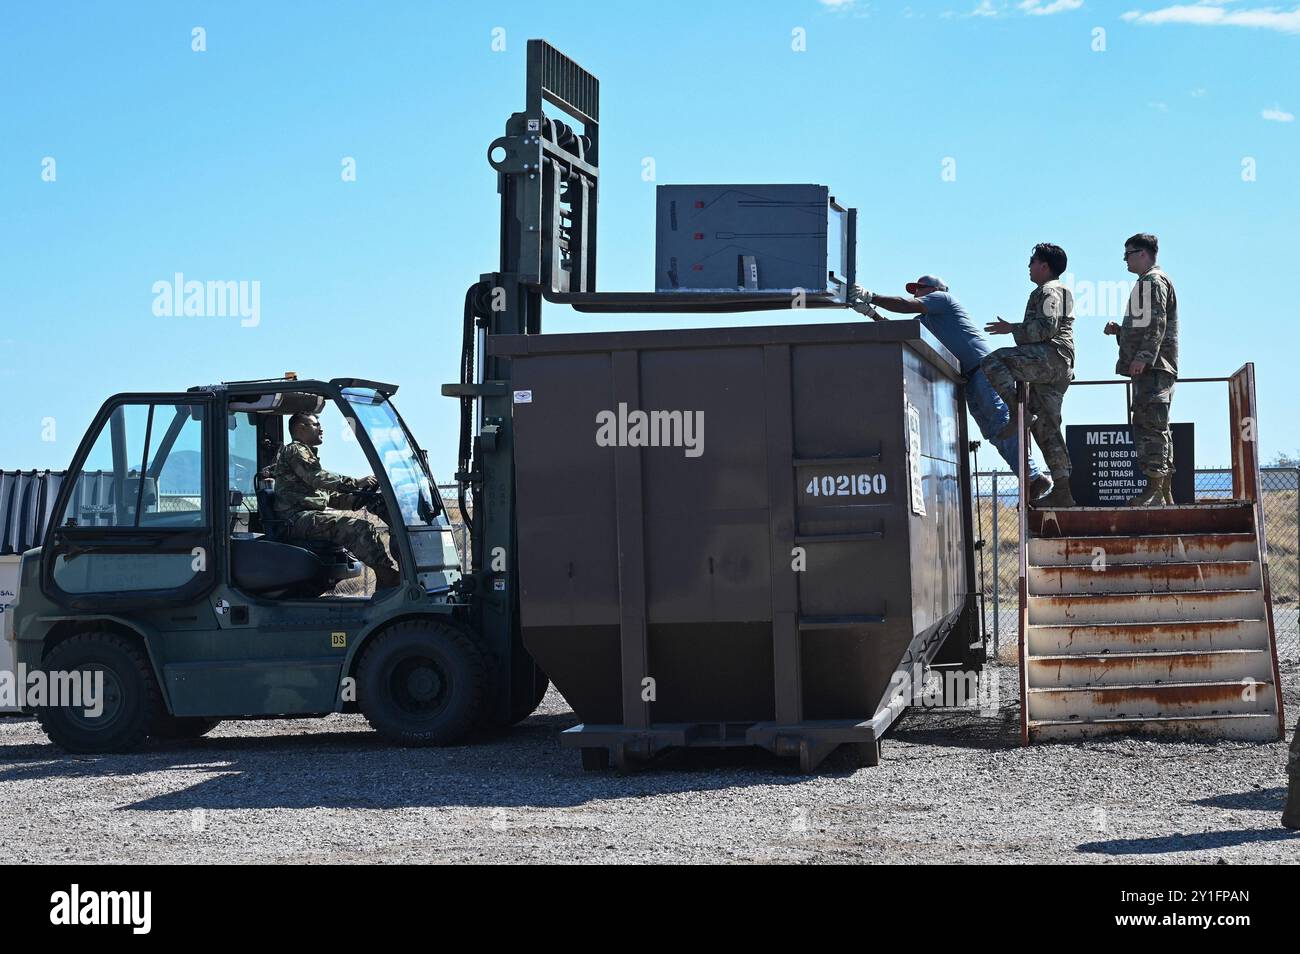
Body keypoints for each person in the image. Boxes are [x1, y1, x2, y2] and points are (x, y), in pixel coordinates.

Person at [849, 276, 1051, 500]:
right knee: (996, 432)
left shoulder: (943, 300)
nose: (916, 293)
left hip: (985, 371)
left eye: (920, 289)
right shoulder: (927, 320)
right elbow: (897, 330)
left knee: (1002, 423)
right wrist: (871, 313)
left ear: (935, 290)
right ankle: (1030, 478)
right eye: (914, 290)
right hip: (973, 377)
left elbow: (904, 306)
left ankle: (1034, 476)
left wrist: (871, 297)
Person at [980, 243, 1077, 509]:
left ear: (1045, 265)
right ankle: (1063, 491)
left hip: (1050, 358)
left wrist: (1012, 328)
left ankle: (1016, 411)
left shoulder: (1049, 290)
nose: (1029, 266)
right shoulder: (1058, 290)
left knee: (993, 361)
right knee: (1046, 428)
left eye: (1033, 261)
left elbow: (1046, 328)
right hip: (1058, 365)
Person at [271, 412, 402, 590]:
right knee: (358, 528)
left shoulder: (306, 457)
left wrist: (361, 496)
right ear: (301, 428)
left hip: (305, 518)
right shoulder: (295, 449)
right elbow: (317, 477)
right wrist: (355, 482)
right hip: (296, 519)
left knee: (367, 527)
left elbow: (329, 497)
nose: (321, 428)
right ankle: (387, 577)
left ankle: (387, 577)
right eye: (316, 425)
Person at [1104, 232, 1178, 506]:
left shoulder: (1152, 282)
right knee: (1155, 425)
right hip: (1153, 367)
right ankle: (1163, 490)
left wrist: (1144, 357)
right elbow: (1146, 326)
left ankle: (1155, 489)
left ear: (1144, 254)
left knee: (1152, 426)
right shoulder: (1147, 283)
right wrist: (1120, 332)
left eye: (1129, 254)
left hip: (1155, 368)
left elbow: (1156, 323)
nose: (1125, 259)